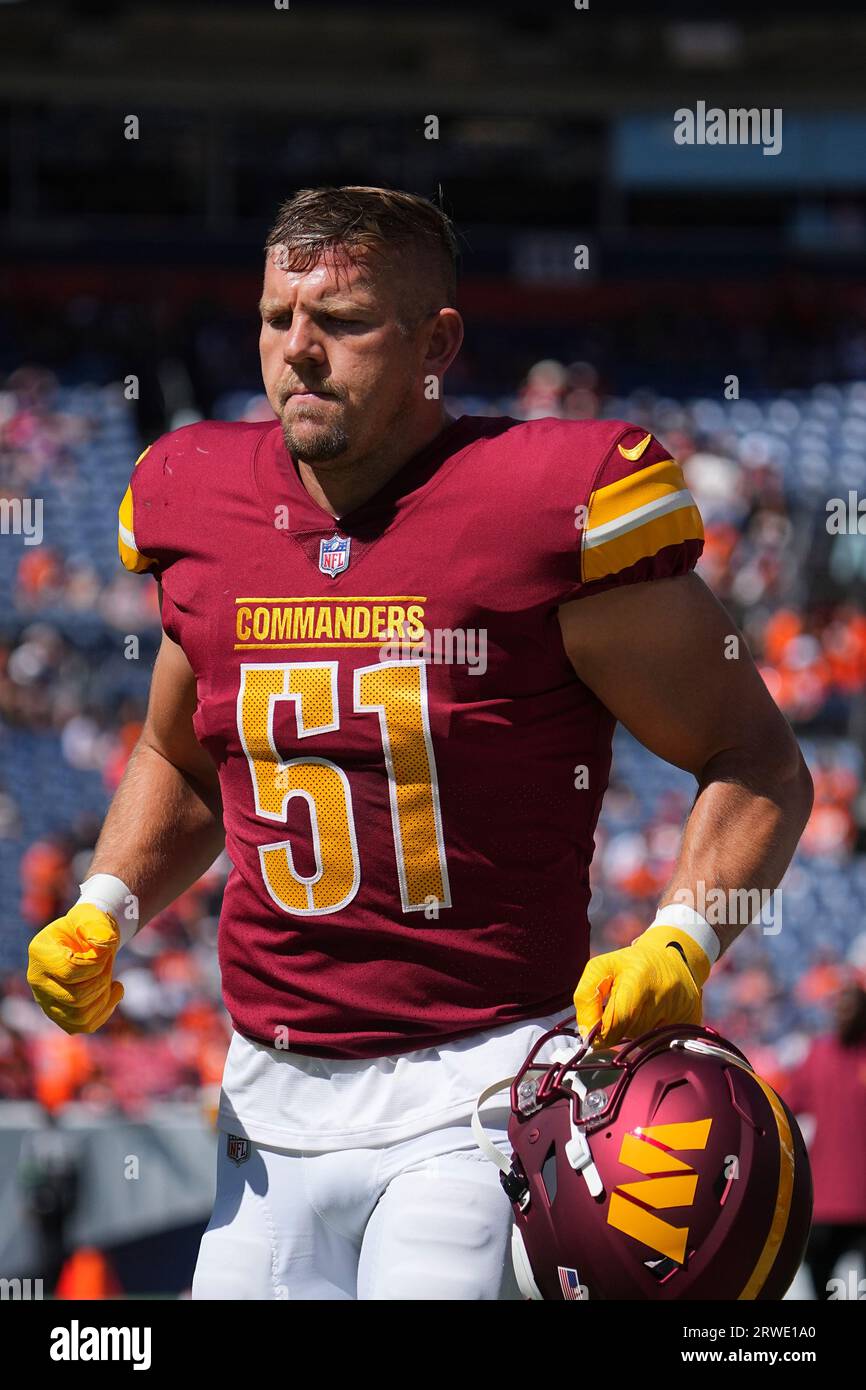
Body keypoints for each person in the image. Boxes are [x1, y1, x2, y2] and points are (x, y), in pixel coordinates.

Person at [27, 185, 813, 1300]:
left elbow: (756, 758)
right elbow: (184, 752)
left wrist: (682, 938)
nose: (297, 352)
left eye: (342, 322)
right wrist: (105, 904)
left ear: (436, 340)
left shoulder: (546, 504)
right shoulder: (194, 501)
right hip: (264, 1094)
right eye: (272, 319)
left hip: (476, 1089)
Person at [782, 981, 866, 1299]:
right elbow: (786, 1106)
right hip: (827, 1201)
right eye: (840, 1007)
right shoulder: (817, 1055)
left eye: (852, 1007)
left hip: (862, 1200)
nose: (844, 1014)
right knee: (820, 1278)